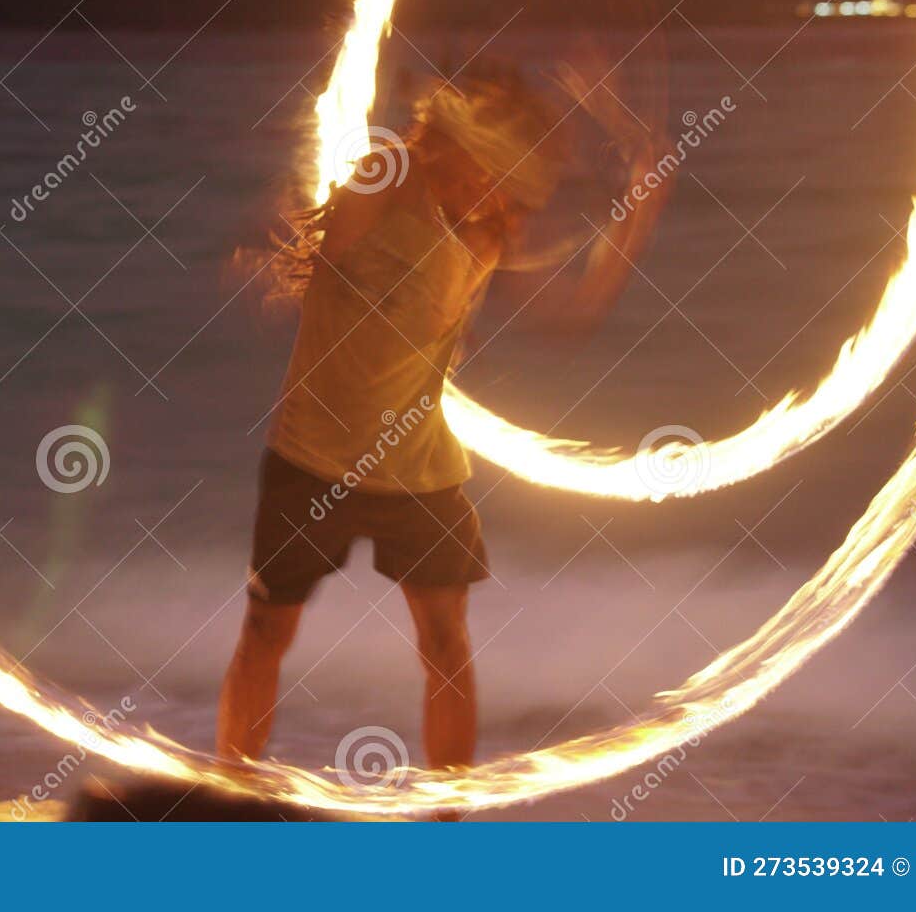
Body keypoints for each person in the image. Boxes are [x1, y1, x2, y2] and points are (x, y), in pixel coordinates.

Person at [216, 64, 668, 770]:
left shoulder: (486, 234)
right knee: (267, 631)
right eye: (507, 190)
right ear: (467, 157)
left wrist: (638, 217)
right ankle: (229, 798)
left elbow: (569, 315)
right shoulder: (385, 177)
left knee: (447, 648)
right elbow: (343, 233)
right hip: (314, 457)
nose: (513, 214)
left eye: (522, 201)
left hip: (418, 467)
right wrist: (426, 141)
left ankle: (447, 823)